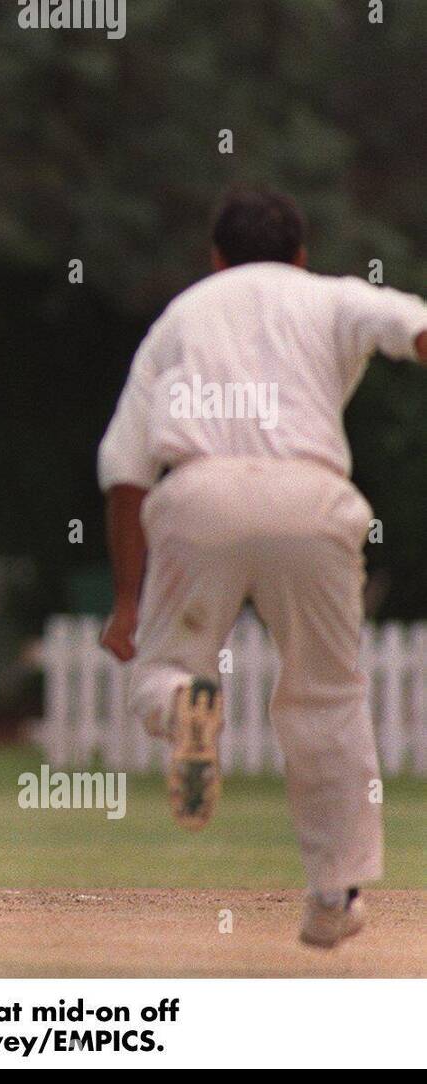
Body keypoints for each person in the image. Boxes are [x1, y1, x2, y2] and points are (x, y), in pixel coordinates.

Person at [97, 187, 427, 947]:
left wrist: (125, 600)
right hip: (312, 502)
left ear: (215, 258)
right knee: (327, 698)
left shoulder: (182, 315)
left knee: (159, 669)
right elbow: (411, 327)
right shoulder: (331, 296)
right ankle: (334, 898)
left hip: (199, 495)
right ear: (302, 255)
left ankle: (183, 702)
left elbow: (124, 470)